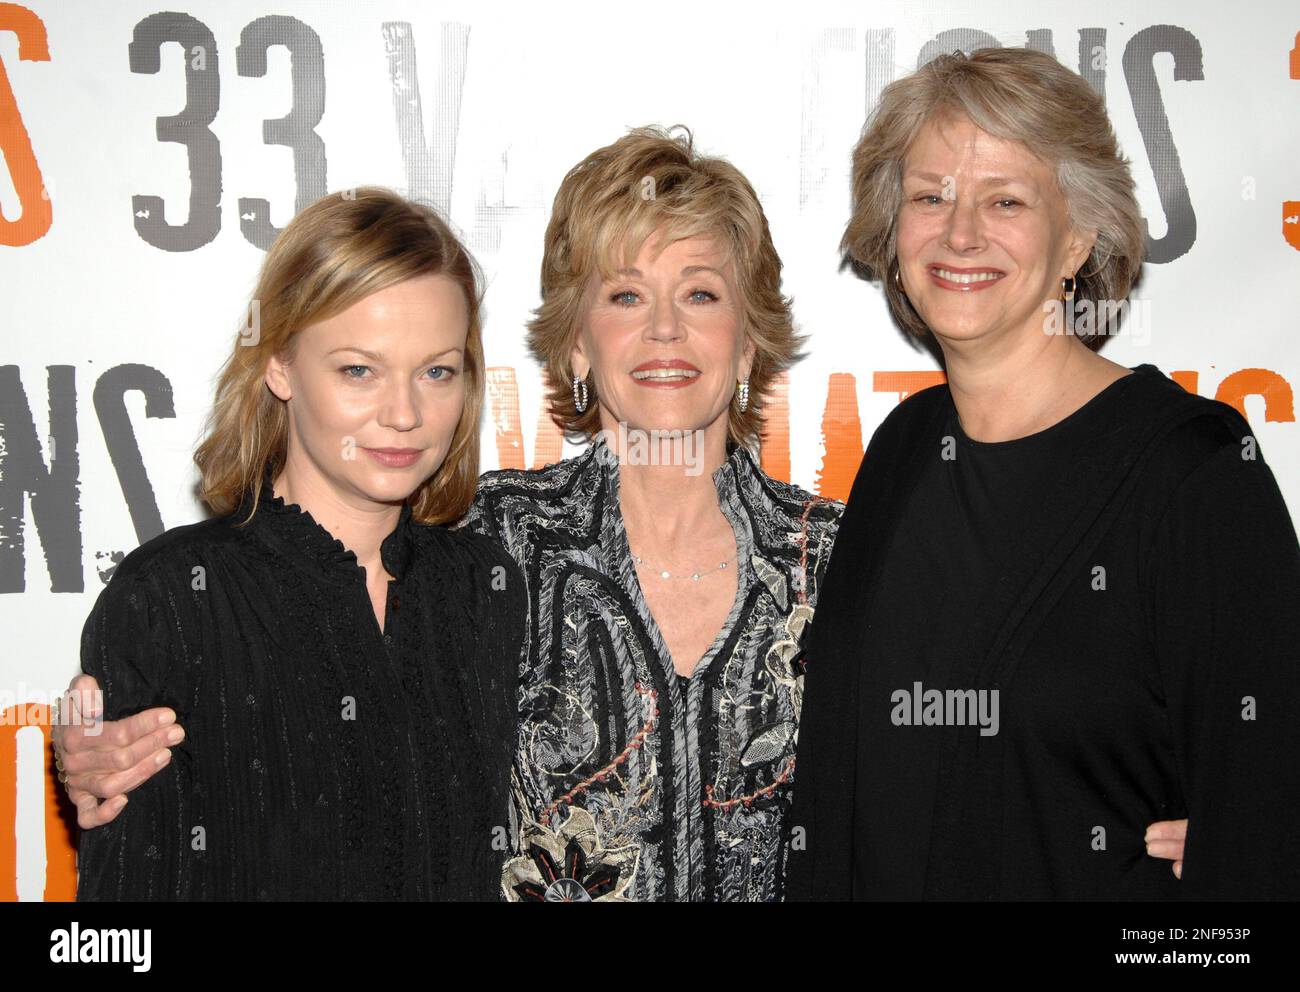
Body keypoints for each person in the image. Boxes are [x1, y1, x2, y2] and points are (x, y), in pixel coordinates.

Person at [57, 129, 1190, 901]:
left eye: (700, 293)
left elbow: (980, 745)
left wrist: (1139, 816)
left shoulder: (846, 554)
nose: (662, 331)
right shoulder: (474, 544)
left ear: (747, 339)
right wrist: (113, 755)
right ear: (574, 339)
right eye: (623, 294)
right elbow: (305, 705)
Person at [787, 47, 1300, 900]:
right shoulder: (904, 450)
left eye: (1007, 200)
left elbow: (1268, 816)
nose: (959, 234)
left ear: (1079, 237)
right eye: (930, 196)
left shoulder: (1194, 476)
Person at [66, 187, 525, 899]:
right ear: (279, 362)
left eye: (437, 371)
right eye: (358, 370)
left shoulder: (488, 590)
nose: (404, 414)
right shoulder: (173, 600)